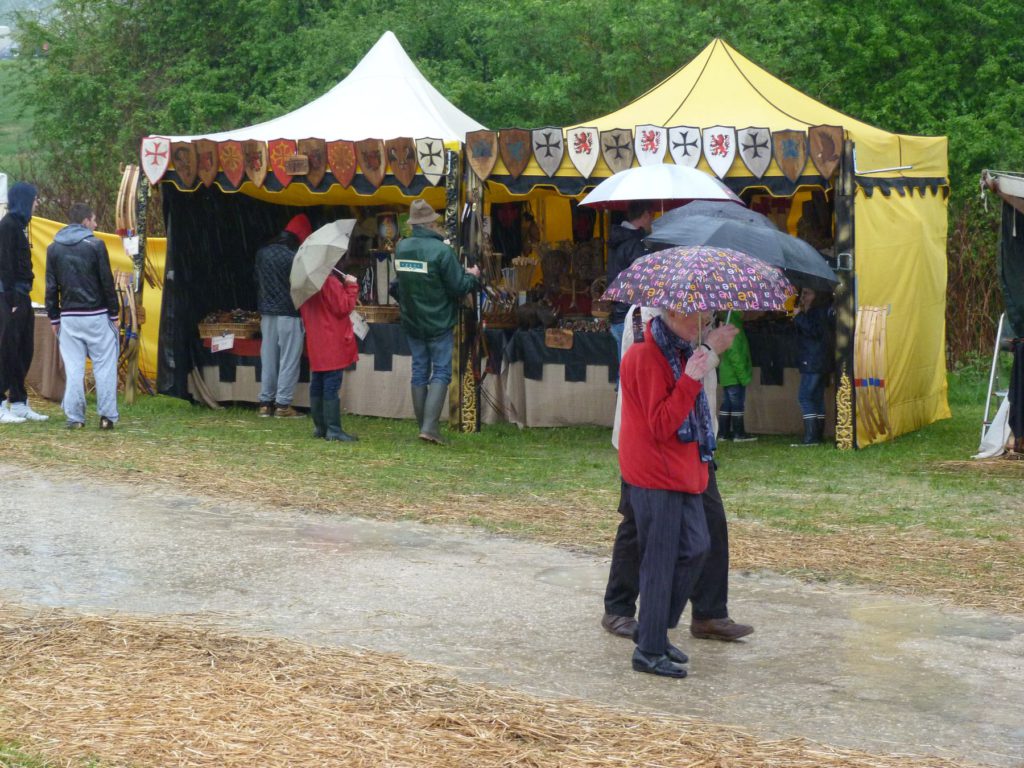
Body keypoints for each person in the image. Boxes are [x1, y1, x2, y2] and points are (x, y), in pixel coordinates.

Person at [604, 306, 754, 654]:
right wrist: (709, 349)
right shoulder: (643, 318)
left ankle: (707, 612)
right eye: (695, 311)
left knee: (708, 527)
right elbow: (658, 388)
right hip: (652, 452)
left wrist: (709, 342)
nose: (704, 315)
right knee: (638, 527)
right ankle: (620, 608)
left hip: (693, 443)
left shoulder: (701, 313)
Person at [616, 307, 723, 678]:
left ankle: (653, 629)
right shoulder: (646, 354)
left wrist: (700, 360)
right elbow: (662, 423)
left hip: (679, 469)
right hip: (654, 472)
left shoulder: (676, 348)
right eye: (702, 316)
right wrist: (694, 375)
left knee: (697, 547)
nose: (706, 322)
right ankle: (649, 649)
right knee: (660, 561)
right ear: (676, 312)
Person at [393, 199, 480, 445]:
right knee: (441, 371)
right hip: (439, 320)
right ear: (431, 223)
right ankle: (430, 427)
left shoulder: (401, 248)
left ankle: (425, 425)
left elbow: (401, 283)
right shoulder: (442, 251)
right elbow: (458, 286)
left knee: (419, 370)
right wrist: (472, 277)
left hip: (412, 320)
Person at [45, 203, 120, 430]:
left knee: (74, 368)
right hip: (96, 314)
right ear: (86, 220)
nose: (96, 225)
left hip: (69, 317)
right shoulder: (96, 245)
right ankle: (107, 416)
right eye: (94, 219)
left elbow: (51, 286)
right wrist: (114, 313)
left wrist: (54, 318)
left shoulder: (53, 248)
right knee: (104, 366)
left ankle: (75, 417)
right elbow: (107, 282)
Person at [255, 213, 312, 419]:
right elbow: (302, 287)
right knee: (289, 359)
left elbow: (257, 281)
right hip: (290, 313)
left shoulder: (263, 252)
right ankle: (283, 404)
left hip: (267, 314)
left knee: (268, 358)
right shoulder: (295, 256)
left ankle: (264, 403)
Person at [0, 181, 47, 424]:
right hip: (10, 297)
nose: (37, 203)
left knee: (23, 350)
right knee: (6, 350)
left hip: (21, 294)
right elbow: (5, 263)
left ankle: (18, 401)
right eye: (34, 199)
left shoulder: (19, 227)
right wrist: (11, 299)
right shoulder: (7, 227)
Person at [299, 265, 360, 442]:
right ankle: (333, 430)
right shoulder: (329, 281)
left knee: (317, 382)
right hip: (332, 338)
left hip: (316, 339)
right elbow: (343, 307)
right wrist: (350, 285)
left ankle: (321, 427)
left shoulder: (306, 282)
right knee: (331, 385)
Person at [606, 202, 652, 358]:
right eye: (650, 216)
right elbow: (644, 282)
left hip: (618, 313)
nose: (651, 221)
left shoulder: (618, 239)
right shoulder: (634, 244)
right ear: (645, 214)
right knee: (631, 369)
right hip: (632, 317)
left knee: (624, 367)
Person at [792, 287, 833, 446]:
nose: (803, 297)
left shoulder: (817, 312)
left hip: (813, 360)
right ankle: (817, 435)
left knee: (805, 397)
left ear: (817, 295)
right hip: (820, 360)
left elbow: (815, 332)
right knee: (816, 398)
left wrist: (799, 316)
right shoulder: (823, 311)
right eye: (802, 294)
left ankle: (810, 437)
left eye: (807, 293)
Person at [717, 311, 757, 442]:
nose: (745, 313)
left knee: (727, 403)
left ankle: (723, 433)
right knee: (737, 404)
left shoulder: (729, 325)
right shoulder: (734, 328)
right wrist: (744, 376)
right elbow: (736, 356)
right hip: (734, 374)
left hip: (727, 373)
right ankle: (738, 434)